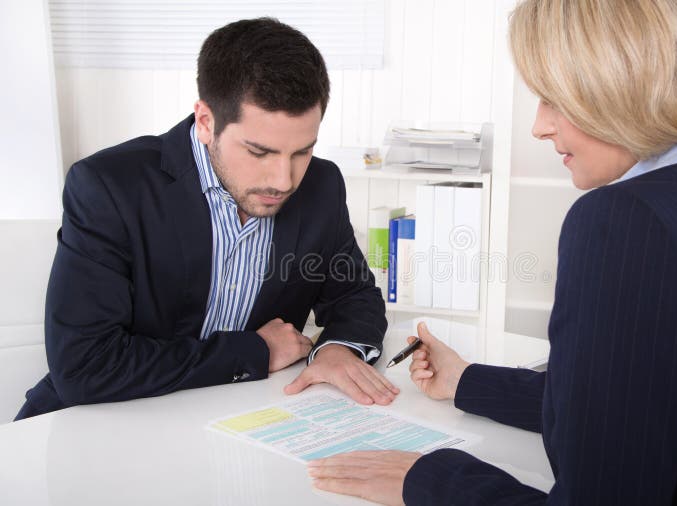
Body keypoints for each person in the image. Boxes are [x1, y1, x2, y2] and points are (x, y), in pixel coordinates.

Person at [306, 0, 677, 504]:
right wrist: (467, 383)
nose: (540, 126)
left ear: (621, 86)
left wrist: (431, 480)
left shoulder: (626, 221)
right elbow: (642, 402)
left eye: (553, 99)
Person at [16, 17, 399, 421]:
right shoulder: (109, 188)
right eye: (259, 152)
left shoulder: (321, 186)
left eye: (302, 151)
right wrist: (254, 352)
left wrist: (337, 349)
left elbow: (354, 296)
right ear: (205, 122)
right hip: (89, 426)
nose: (283, 180)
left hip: (231, 424)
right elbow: (85, 366)